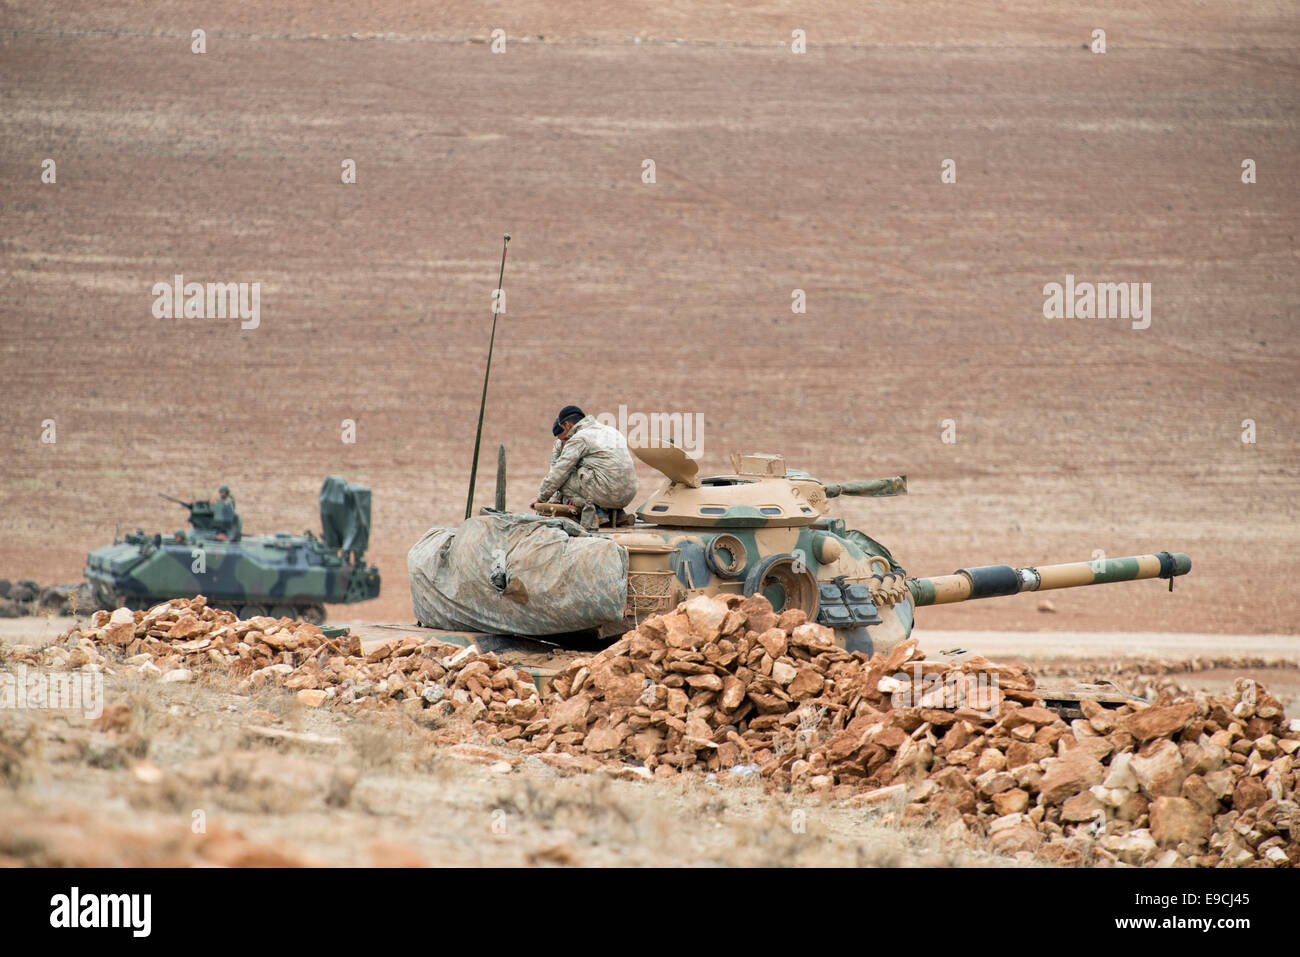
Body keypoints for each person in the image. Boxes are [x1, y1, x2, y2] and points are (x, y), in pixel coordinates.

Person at [533, 405, 638, 525]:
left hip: (606, 491)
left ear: (567, 425)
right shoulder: (611, 431)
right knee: (596, 474)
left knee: (563, 478)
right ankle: (618, 513)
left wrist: (541, 499)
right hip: (629, 493)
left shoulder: (579, 438)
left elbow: (558, 472)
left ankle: (596, 512)